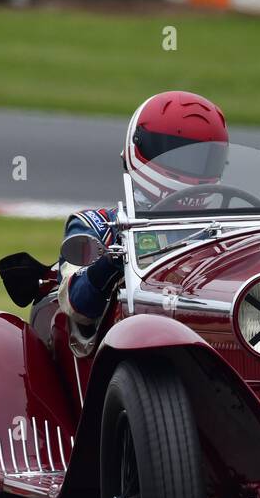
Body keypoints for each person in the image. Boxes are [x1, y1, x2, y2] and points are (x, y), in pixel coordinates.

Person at [59, 91, 230, 330]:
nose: (194, 169)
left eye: (205, 159)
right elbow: (77, 305)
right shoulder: (99, 226)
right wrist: (109, 262)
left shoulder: (227, 230)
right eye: (179, 157)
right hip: (130, 341)